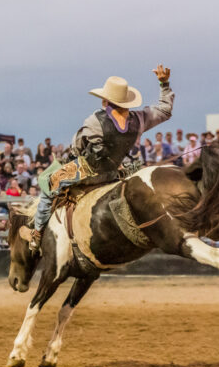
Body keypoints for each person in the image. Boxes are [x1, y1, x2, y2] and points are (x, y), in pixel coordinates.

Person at [29, 64, 174, 251]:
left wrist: (71, 159)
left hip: (91, 172)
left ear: (106, 100)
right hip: (115, 172)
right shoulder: (138, 120)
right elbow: (165, 110)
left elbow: (77, 145)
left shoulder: (94, 121)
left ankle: (37, 232)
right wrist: (164, 84)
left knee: (49, 183)